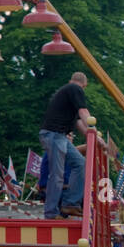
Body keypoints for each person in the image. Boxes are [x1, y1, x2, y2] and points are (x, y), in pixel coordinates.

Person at [38, 71, 92, 219]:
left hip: (58, 136)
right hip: (54, 135)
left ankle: (70, 204)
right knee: (57, 174)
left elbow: (79, 123)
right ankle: (51, 213)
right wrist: (93, 127)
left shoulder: (67, 97)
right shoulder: (75, 89)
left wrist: (93, 137)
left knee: (80, 163)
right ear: (84, 85)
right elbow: (84, 113)